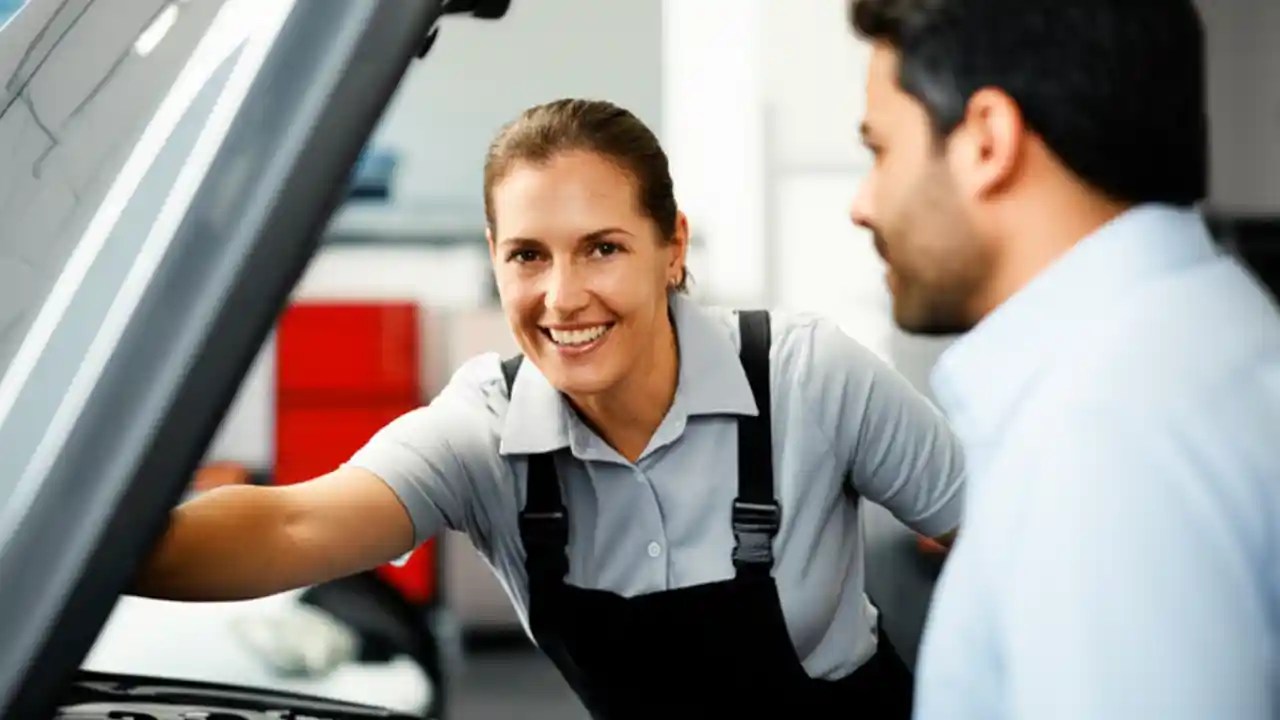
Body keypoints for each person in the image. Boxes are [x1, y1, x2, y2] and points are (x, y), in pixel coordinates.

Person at [134, 98, 967, 717]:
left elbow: (1004, 535)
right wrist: (61, 557)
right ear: (494, 258)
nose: (563, 298)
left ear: (672, 248)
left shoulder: (806, 374)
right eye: (528, 255)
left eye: (603, 248)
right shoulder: (485, 430)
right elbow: (292, 527)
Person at [844, 0, 1280, 718]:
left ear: (987, 140)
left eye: (880, 151)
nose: (863, 204)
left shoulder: (1107, 438)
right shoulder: (1209, 332)